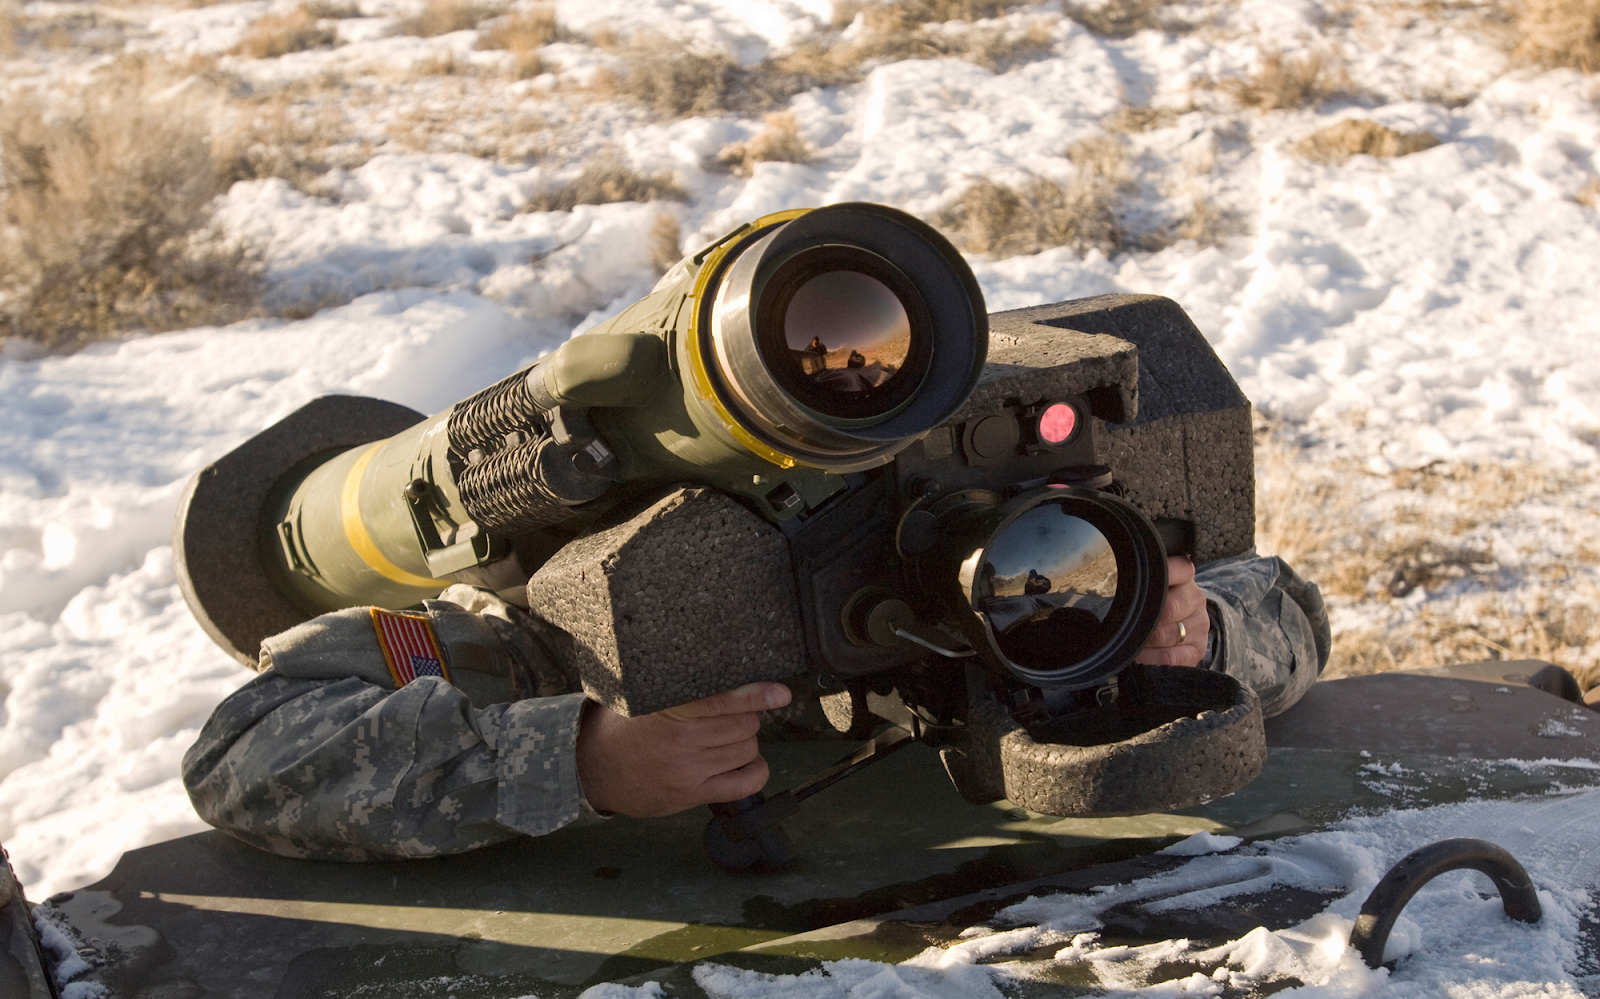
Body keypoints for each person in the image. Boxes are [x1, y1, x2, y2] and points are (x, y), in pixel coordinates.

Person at [182, 552, 1328, 862]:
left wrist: (1197, 639)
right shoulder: (509, 633)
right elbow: (239, 754)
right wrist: (577, 758)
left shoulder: (957, 542)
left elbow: (1281, 599)